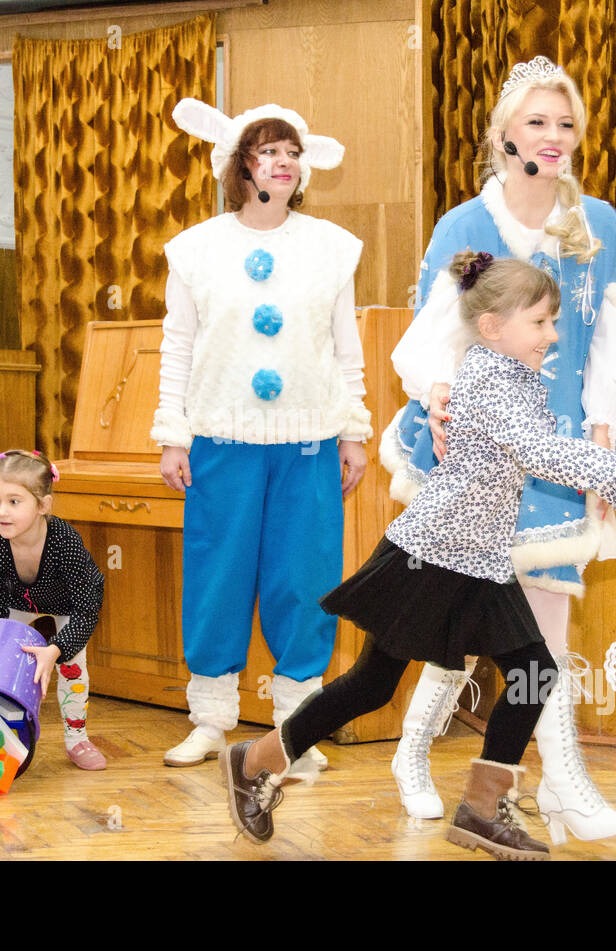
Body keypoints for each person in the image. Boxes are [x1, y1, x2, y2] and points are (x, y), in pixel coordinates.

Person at [220, 254, 616, 858]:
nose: (552, 334)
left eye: (552, 322)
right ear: (493, 326)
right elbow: (539, 452)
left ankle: (476, 809)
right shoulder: (490, 381)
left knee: (517, 673)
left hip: (474, 555)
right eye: (540, 322)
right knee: (380, 686)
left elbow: (537, 447)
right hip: (435, 554)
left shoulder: (509, 376)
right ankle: (258, 762)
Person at [381, 55, 616, 840]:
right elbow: (435, 330)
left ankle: (562, 787)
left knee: (541, 629)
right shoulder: (467, 229)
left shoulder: (596, 227)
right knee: (459, 620)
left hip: (553, 459)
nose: (553, 137)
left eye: (566, 124)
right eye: (537, 122)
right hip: (478, 455)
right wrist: (437, 393)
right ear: (504, 134)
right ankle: (414, 752)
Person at [152, 99, 372, 772]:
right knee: (217, 577)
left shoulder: (332, 248)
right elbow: (178, 346)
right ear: (239, 162)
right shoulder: (195, 250)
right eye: (267, 149)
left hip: (308, 440)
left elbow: (345, 346)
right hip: (222, 439)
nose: (282, 161)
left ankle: (293, 732)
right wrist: (173, 433)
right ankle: (210, 719)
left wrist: (354, 429)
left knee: (302, 581)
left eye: (291, 151)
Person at [0, 449, 107, 770]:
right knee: (2, 656)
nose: (1, 512)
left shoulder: (65, 542)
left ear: (42, 506)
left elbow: (86, 611)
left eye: (14, 501)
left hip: (71, 607)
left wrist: (57, 649)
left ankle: (77, 739)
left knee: (72, 668)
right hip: (18, 605)